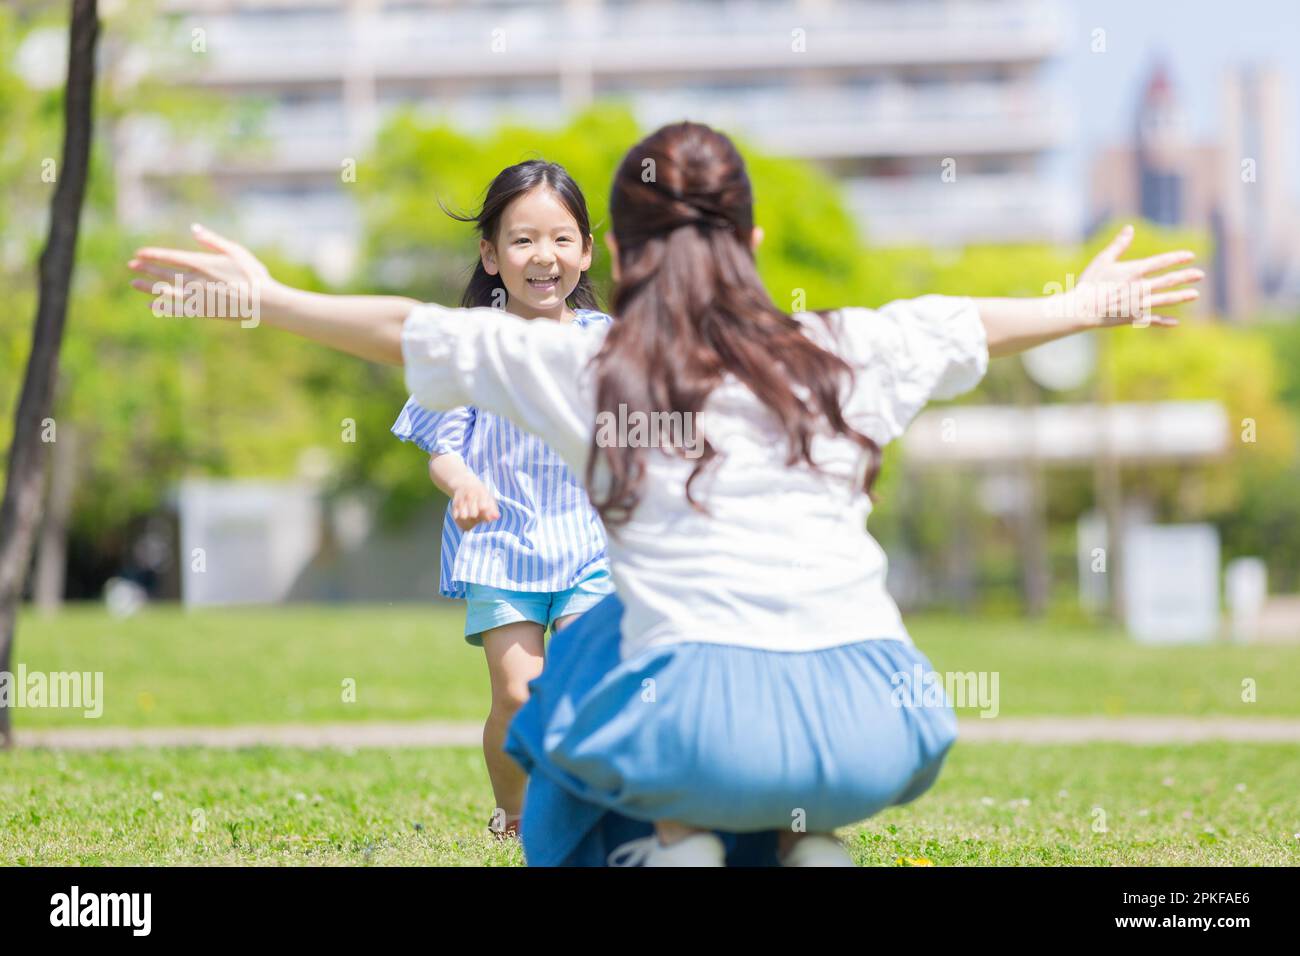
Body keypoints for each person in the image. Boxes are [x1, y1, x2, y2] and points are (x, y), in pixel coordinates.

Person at [128, 121, 1202, 866]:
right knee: (626, 637)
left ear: (621, 259)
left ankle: (674, 842)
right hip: (890, 722)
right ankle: (797, 838)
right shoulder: (848, 347)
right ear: (754, 245)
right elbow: (968, 318)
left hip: (694, 729)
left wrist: (265, 297)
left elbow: (404, 331)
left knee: (581, 667)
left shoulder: (593, 368)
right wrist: (1087, 303)